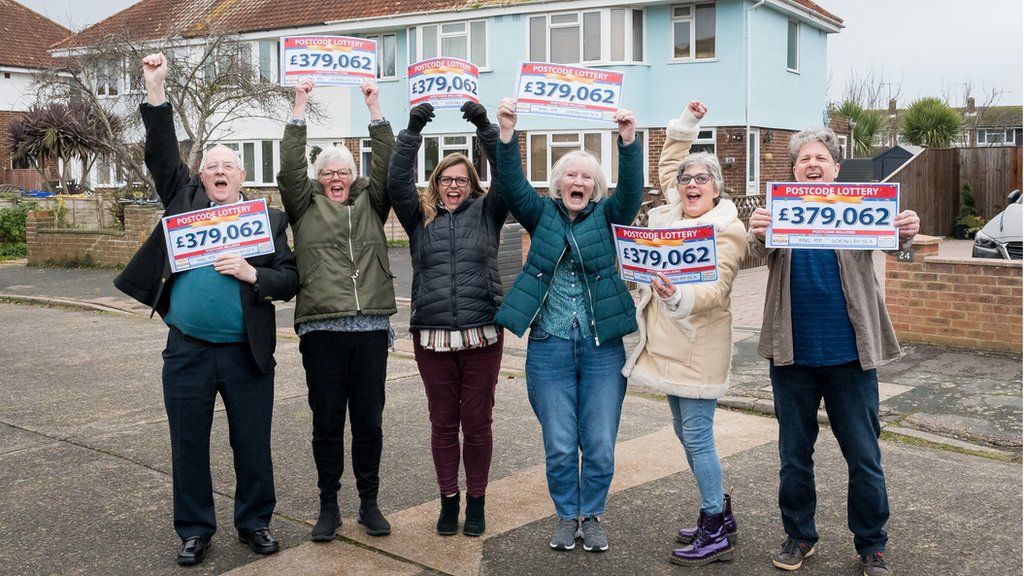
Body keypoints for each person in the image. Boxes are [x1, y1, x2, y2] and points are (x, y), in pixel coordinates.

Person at [113, 52, 299, 567]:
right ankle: (195, 529)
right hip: (188, 351)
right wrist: (156, 88)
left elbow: (290, 280)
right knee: (188, 444)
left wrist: (253, 274)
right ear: (201, 175)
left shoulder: (267, 220)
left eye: (228, 166)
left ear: (243, 176)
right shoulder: (183, 200)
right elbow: (161, 155)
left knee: (252, 445)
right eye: (211, 166)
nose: (220, 171)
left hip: (246, 354)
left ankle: (255, 522)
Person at [747, 128, 920, 576]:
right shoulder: (779, 213)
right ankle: (799, 535)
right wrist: (758, 231)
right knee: (793, 456)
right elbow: (757, 250)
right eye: (803, 158)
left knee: (864, 457)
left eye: (820, 157)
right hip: (792, 356)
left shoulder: (862, 208)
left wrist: (905, 232)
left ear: (836, 168)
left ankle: (872, 545)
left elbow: (897, 246)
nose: (812, 164)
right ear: (794, 170)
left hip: (850, 357)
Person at [493, 97, 641, 553]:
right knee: (559, 443)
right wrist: (506, 133)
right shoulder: (541, 215)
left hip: (602, 348)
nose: (578, 181)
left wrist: (629, 144)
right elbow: (513, 185)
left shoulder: (609, 215)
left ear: (595, 187)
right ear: (558, 184)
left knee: (598, 442)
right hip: (550, 345)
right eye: (570, 175)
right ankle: (565, 515)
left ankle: (592, 514)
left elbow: (632, 192)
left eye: (586, 176)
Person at [621, 101, 747, 566]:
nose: (691, 184)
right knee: (684, 431)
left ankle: (714, 527)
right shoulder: (671, 217)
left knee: (697, 436)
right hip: (665, 346)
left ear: (717, 188)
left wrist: (677, 297)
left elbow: (717, 291)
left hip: (698, 346)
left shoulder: (727, 232)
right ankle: (722, 513)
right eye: (687, 179)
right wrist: (689, 124)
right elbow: (669, 162)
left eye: (702, 179)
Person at [277, 78, 397, 542]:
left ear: (354, 176)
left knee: (368, 421)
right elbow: (291, 169)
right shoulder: (303, 205)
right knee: (327, 422)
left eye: (343, 171)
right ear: (318, 179)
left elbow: (387, 166)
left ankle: (369, 503)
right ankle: (329, 506)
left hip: (370, 331)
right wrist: (299, 107)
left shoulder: (372, 202)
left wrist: (375, 109)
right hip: (322, 331)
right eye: (327, 172)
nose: (335, 178)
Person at [386, 101, 506, 537]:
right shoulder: (419, 219)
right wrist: (413, 129)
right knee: (442, 423)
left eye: (461, 179)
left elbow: (509, 175)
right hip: (432, 338)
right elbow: (396, 181)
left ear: (472, 184)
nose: (453, 186)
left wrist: (483, 126)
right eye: (445, 179)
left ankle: (476, 501)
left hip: (483, 335)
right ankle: (448, 500)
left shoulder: (488, 213)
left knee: (476, 422)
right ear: (435, 184)